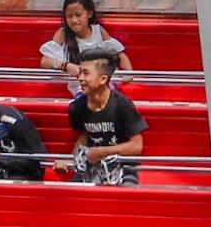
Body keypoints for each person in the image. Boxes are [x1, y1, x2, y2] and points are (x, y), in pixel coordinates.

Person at [60, 49, 147, 186]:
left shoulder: (122, 105)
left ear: (103, 79)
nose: (80, 78)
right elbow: (85, 135)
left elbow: (136, 146)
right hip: (92, 166)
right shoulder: (77, 107)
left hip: (124, 166)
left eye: (86, 73)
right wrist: (70, 160)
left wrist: (102, 152)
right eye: (80, 72)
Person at [40, 0, 133, 80]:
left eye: (78, 15)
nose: (74, 20)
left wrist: (128, 73)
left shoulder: (99, 31)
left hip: (100, 82)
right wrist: (67, 66)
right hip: (78, 83)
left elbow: (119, 54)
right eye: (69, 16)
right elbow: (45, 61)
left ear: (89, 14)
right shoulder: (63, 34)